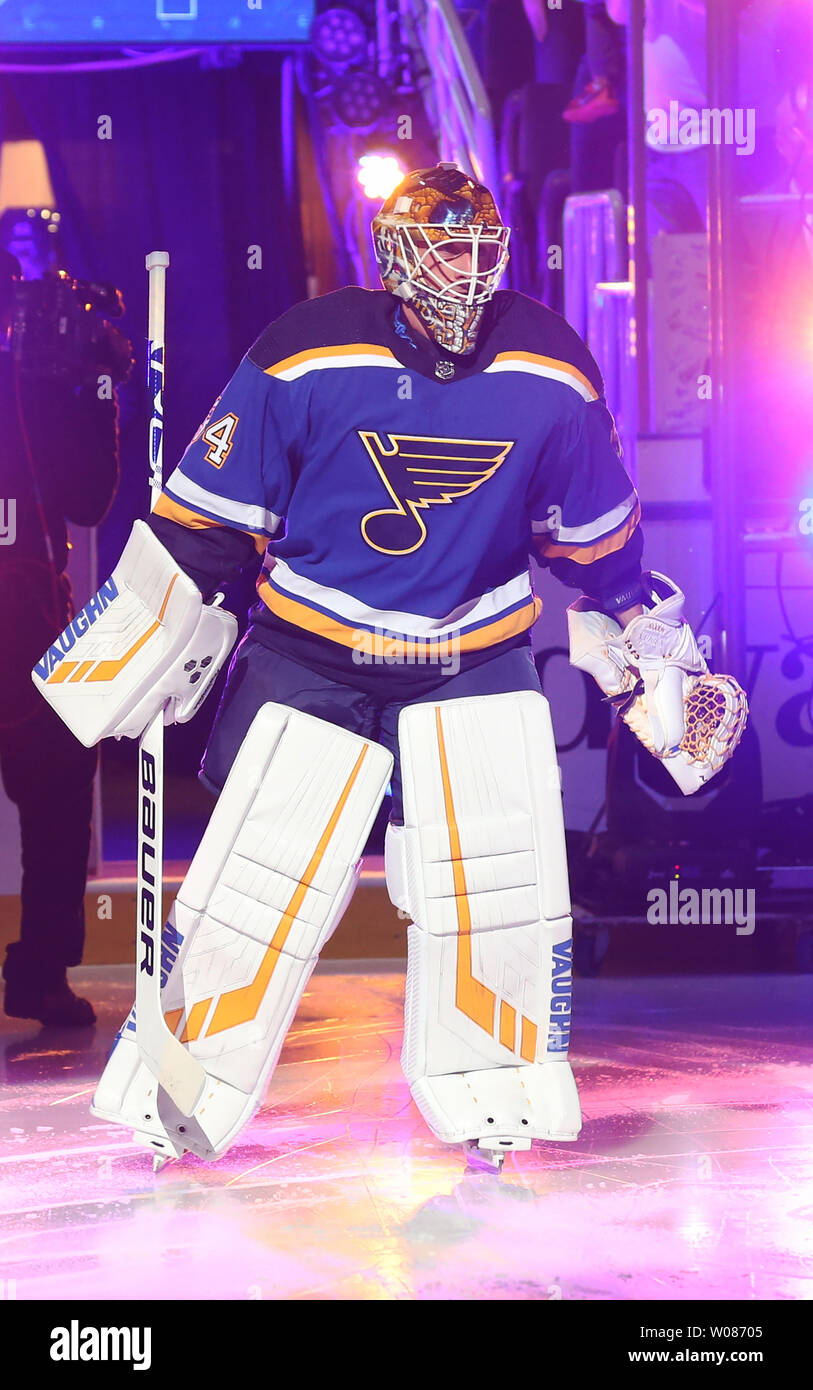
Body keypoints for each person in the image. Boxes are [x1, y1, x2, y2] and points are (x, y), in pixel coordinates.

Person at [35, 165, 745, 1166]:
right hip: (311, 649)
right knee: (255, 883)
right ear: (396, 256)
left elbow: (598, 549)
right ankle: (180, 1086)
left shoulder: (552, 369)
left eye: (479, 249)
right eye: (442, 249)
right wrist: (130, 650)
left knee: (498, 880)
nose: (464, 272)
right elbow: (210, 526)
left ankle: (494, 1084)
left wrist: (649, 649)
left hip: (470, 650)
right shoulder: (307, 350)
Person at [0, 250, 121, 1026]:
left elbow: (82, 499)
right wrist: (91, 390)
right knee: (57, 783)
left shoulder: (36, 380)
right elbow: (89, 499)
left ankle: (43, 971)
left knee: (59, 778)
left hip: (24, 616)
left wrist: (88, 391)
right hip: (22, 616)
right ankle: (40, 973)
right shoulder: (36, 378)